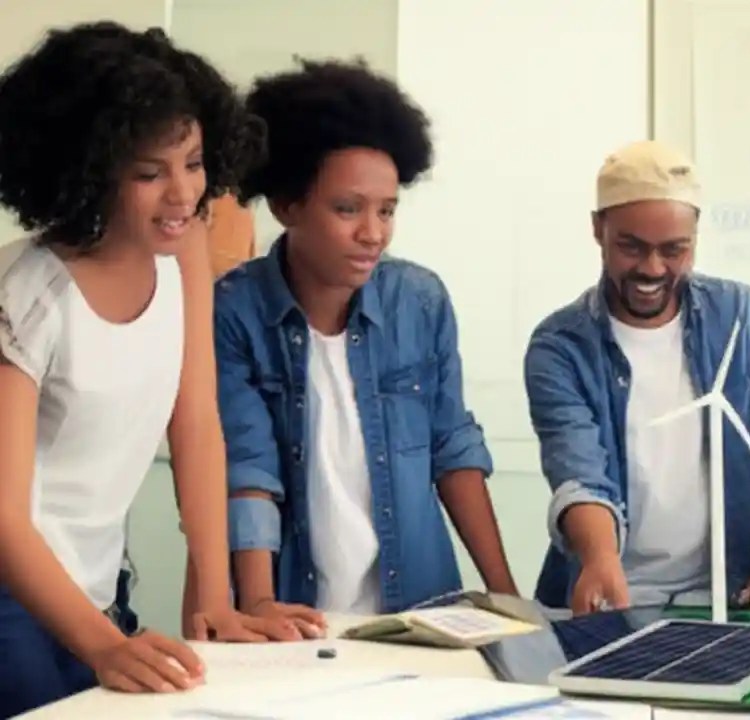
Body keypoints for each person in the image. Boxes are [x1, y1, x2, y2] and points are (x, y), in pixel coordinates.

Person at [0, 22, 292, 718]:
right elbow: (5, 514)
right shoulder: (27, 294)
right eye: (149, 173)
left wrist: (218, 602)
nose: (182, 194)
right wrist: (104, 646)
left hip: (100, 589)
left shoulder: (184, 248)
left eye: (192, 162)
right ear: (89, 170)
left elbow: (196, 425)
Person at [215, 59, 518, 627]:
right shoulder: (234, 310)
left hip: (421, 613)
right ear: (286, 205)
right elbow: (247, 467)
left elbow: (453, 448)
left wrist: (505, 595)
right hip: (298, 613)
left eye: (386, 210)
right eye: (347, 209)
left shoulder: (420, 300)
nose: (372, 233)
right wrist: (257, 604)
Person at [524, 139, 750, 614]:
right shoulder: (560, 345)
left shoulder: (743, 316)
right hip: (612, 596)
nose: (652, 269)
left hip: (724, 595)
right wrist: (600, 562)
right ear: (598, 229)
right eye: (631, 248)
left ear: (696, 237)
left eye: (674, 250)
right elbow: (579, 469)